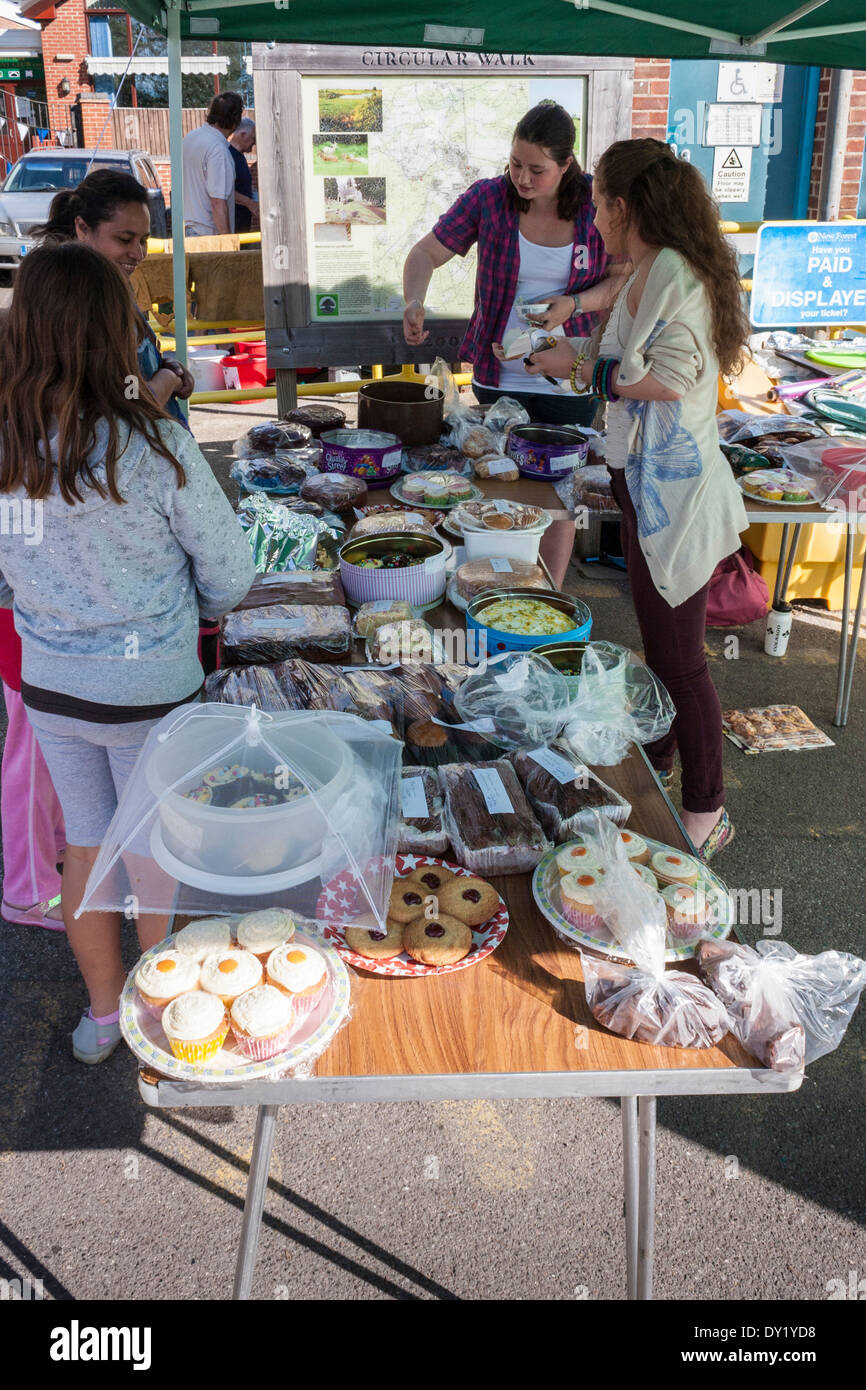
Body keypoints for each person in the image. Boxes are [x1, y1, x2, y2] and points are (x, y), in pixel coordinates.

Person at [0, 242, 255, 1063]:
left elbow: (8, 581)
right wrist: (196, 619)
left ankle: (103, 1017)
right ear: (115, 334)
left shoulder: (9, 452)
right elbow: (230, 571)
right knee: (152, 848)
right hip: (152, 689)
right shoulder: (154, 446)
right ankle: (167, 1012)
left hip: (55, 688)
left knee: (87, 845)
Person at [524, 138, 750, 859]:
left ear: (623, 207)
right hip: (652, 491)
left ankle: (707, 815)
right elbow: (616, 357)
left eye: (596, 205)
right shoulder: (650, 268)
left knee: (682, 662)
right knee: (661, 651)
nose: (592, 219)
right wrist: (573, 359)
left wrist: (591, 374)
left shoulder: (673, 271)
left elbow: (673, 377)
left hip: (677, 501)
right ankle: (665, 765)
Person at [402, 101, 627, 428]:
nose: (522, 178)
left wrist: (575, 304)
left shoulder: (595, 202)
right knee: (498, 469)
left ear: (566, 164)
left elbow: (623, 278)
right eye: (515, 163)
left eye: (537, 171)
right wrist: (414, 300)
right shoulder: (488, 198)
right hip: (499, 376)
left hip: (574, 375)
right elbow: (425, 254)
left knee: (569, 471)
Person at [32, 168, 195, 426]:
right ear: (82, 227)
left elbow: (128, 375)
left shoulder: (111, 285)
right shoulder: (75, 303)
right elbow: (130, 402)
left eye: (143, 241)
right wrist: (168, 377)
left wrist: (164, 366)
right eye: (124, 239)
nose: (138, 254)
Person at [0, 609, 65, 928]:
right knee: (31, 762)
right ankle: (27, 891)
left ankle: (56, 842)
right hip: (27, 629)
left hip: (40, 626)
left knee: (56, 750)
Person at [181, 91, 244, 237]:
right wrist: (228, 244)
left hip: (187, 229)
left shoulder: (190, 138)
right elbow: (217, 202)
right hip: (207, 234)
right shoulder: (218, 150)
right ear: (236, 121)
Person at [228, 118, 257, 235]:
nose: (254, 144)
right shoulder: (227, 155)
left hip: (243, 223)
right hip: (233, 223)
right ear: (243, 135)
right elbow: (224, 190)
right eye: (253, 139)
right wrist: (250, 203)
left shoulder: (240, 157)